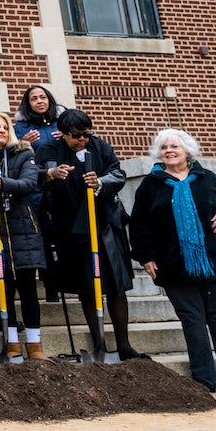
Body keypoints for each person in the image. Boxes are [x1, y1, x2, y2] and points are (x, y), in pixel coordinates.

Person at [130, 128, 216, 400]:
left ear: (187, 150)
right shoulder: (150, 185)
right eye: (164, 147)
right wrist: (146, 256)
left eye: (174, 146)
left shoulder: (208, 179)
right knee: (192, 320)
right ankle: (204, 380)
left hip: (215, 263)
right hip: (173, 265)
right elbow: (140, 226)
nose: (169, 151)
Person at [37, 109, 144, 360]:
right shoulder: (48, 151)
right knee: (87, 286)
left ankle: (124, 344)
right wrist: (51, 175)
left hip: (105, 224)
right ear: (63, 133)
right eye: (76, 135)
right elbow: (34, 178)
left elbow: (118, 175)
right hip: (72, 228)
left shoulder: (101, 148)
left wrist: (100, 182)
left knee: (116, 285)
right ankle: (99, 344)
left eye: (86, 134)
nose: (82, 140)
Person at [0, 111, 47, 361]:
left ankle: (34, 345)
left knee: (27, 288)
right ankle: (12, 341)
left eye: (5, 127)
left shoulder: (24, 153)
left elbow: (29, 183)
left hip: (23, 228)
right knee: (3, 288)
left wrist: (2, 182)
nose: (2, 131)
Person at [14, 84, 65, 154]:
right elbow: (11, 153)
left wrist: (68, 136)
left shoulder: (63, 121)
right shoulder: (20, 128)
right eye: (34, 99)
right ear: (28, 104)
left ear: (49, 100)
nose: (39, 101)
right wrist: (23, 143)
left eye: (43, 97)